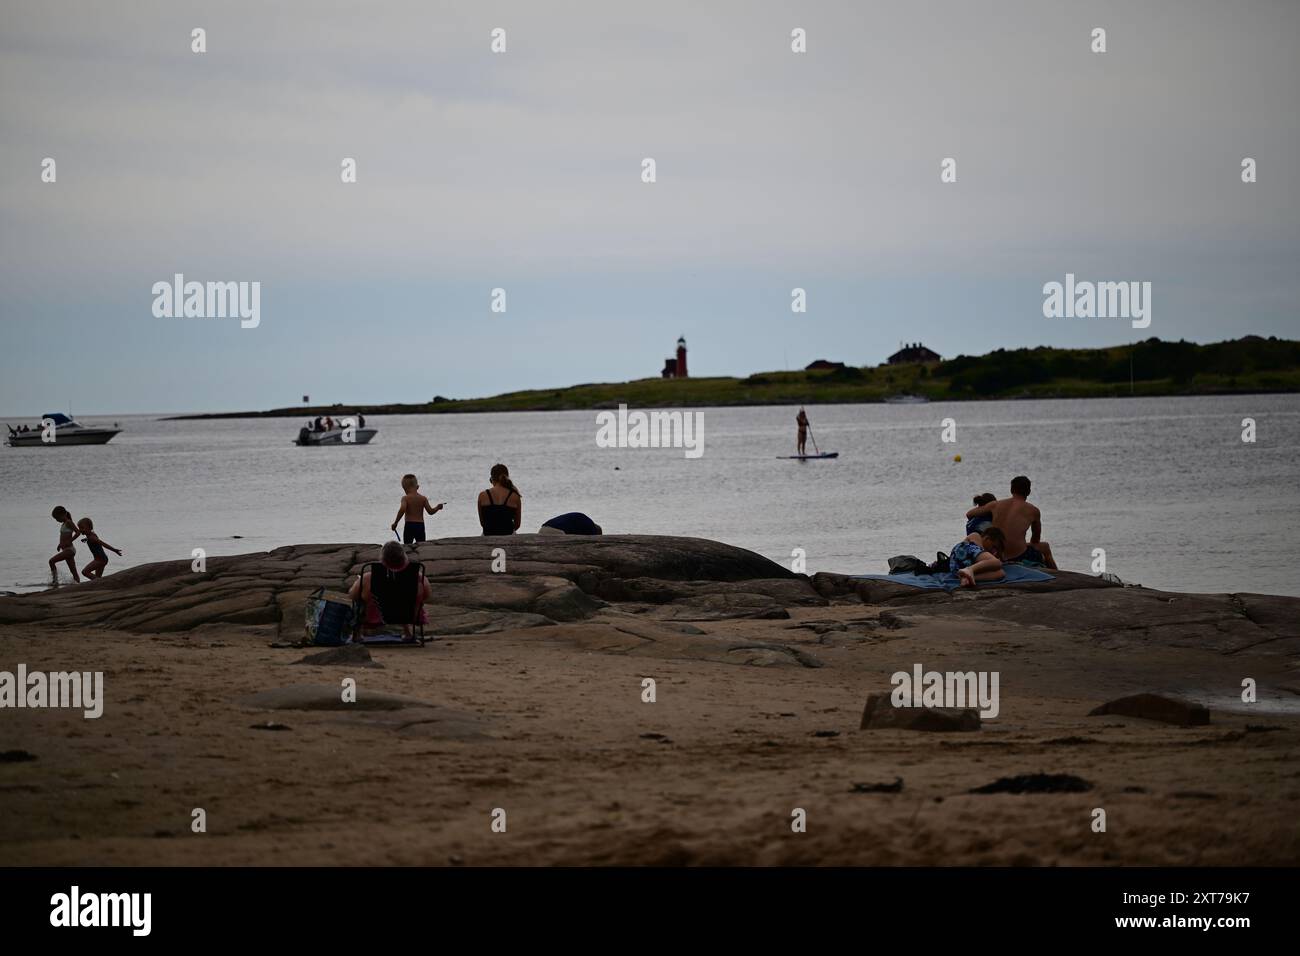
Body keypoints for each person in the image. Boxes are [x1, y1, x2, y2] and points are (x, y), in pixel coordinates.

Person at [965, 475, 1058, 569]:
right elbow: (1035, 540)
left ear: (1011, 490)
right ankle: (1057, 576)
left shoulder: (995, 505)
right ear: (1029, 492)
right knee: (1045, 547)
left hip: (996, 553)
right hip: (1018, 555)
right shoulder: (1033, 511)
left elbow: (969, 514)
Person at [348, 541, 430, 639]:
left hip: (375, 617)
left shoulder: (368, 578)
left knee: (359, 600)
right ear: (403, 557)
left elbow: (352, 595)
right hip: (409, 615)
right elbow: (427, 595)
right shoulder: (417, 578)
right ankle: (408, 632)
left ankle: (357, 634)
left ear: (382, 558)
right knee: (407, 599)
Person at [391, 473, 445, 544]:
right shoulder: (423, 498)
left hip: (409, 525)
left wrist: (396, 523)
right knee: (421, 546)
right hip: (420, 526)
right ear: (417, 486)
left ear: (405, 487)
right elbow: (430, 511)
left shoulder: (405, 498)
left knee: (407, 546)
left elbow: (402, 509)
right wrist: (437, 507)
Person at [478, 463, 522, 535]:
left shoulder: (482, 495)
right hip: (508, 536)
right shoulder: (515, 496)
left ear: (492, 479)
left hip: (488, 536)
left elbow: (483, 523)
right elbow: (517, 525)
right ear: (507, 478)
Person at [48, 506, 81, 584]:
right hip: (66, 549)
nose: (56, 520)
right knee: (73, 571)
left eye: (57, 518)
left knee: (51, 561)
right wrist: (60, 544)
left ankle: (55, 581)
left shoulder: (69, 522)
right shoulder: (63, 524)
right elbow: (64, 536)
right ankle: (77, 584)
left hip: (69, 550)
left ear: (63, 514)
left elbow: (78, 532)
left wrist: (70, 540)